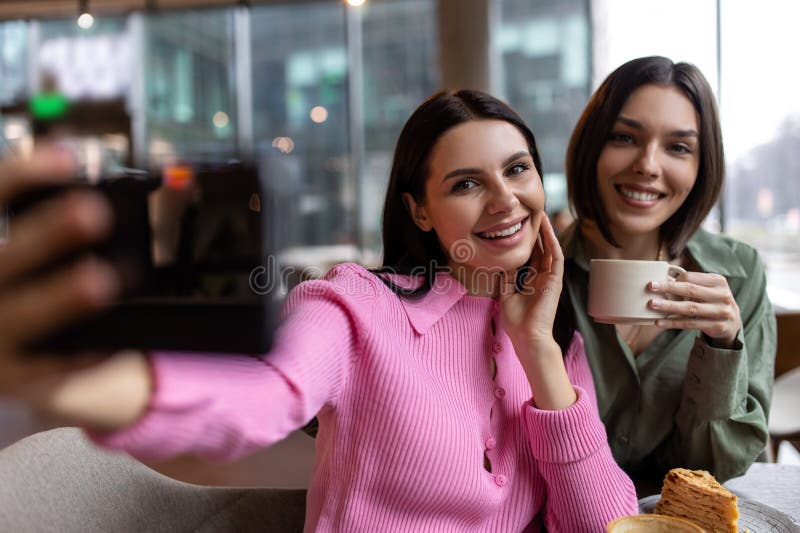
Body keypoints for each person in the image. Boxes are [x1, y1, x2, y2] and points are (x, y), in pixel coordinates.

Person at [0, 90, 637, 531]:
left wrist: (538, 352)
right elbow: (262, 395)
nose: (505, 200)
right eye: (466, 183)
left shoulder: (555, 341)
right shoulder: (357, 305)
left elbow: (605, 524)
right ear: (420, 211)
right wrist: (90, 381)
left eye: (518, 169)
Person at [561, 56, 776, 492]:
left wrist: (721, 347)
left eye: (678, 147)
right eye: (624, 137)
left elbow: (720, 467)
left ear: (701, 167)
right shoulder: (535, 273)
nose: (648, 165)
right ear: (591, 147)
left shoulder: (738, 274)